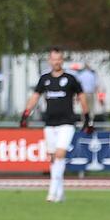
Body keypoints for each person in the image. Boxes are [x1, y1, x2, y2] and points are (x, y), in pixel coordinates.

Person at [20, 47, 92, 203]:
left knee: (60, 155)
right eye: (53, 59)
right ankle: (60, 193)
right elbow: (35, 96)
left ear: (62, 60)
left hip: (67, 123)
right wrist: (26, 113)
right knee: (53, 158)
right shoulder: (44, 79)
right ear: (49, 61)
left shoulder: (71, 79)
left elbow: (82, 97)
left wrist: (87, 116)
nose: (56, 62)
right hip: (50, 123)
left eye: (59, 59)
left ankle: (52, 192)